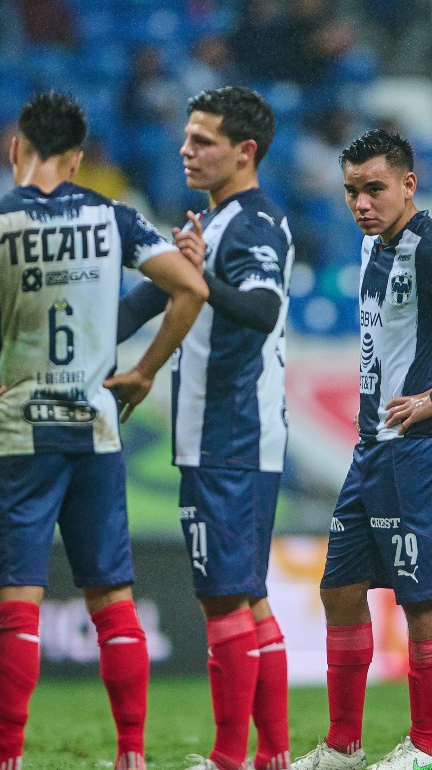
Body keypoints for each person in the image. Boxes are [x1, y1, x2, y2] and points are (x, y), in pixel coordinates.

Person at [0, 91, 207, 770]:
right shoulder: (114, 218)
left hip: (19, 433)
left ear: (15, 149)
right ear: (78, 159)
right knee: (112, 601)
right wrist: (143, 373)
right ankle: (132, 753)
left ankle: (6, 758)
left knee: (15, 605)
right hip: (96, 431)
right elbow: (191, 290)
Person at [291, 129, 432, 770]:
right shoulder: (372, 246)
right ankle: (344, 746)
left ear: (408, 185)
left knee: (420, 597)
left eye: (374, 189)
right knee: (339, 589)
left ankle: (425, 748)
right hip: (371, 447)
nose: (361, 204)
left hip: (420, 448)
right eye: (351, 192)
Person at [116, 86, 295, 770]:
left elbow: (259, 308)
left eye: (202, 141)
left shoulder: (251, 224)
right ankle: (270, 756)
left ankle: (229, 758)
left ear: (245, 151)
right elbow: (148, 299)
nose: (185, 150)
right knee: (247, 597)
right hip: (228, 433)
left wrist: (198, 279)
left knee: (224, 598)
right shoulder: (217, 222)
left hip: (230, 431)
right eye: (187, 137)